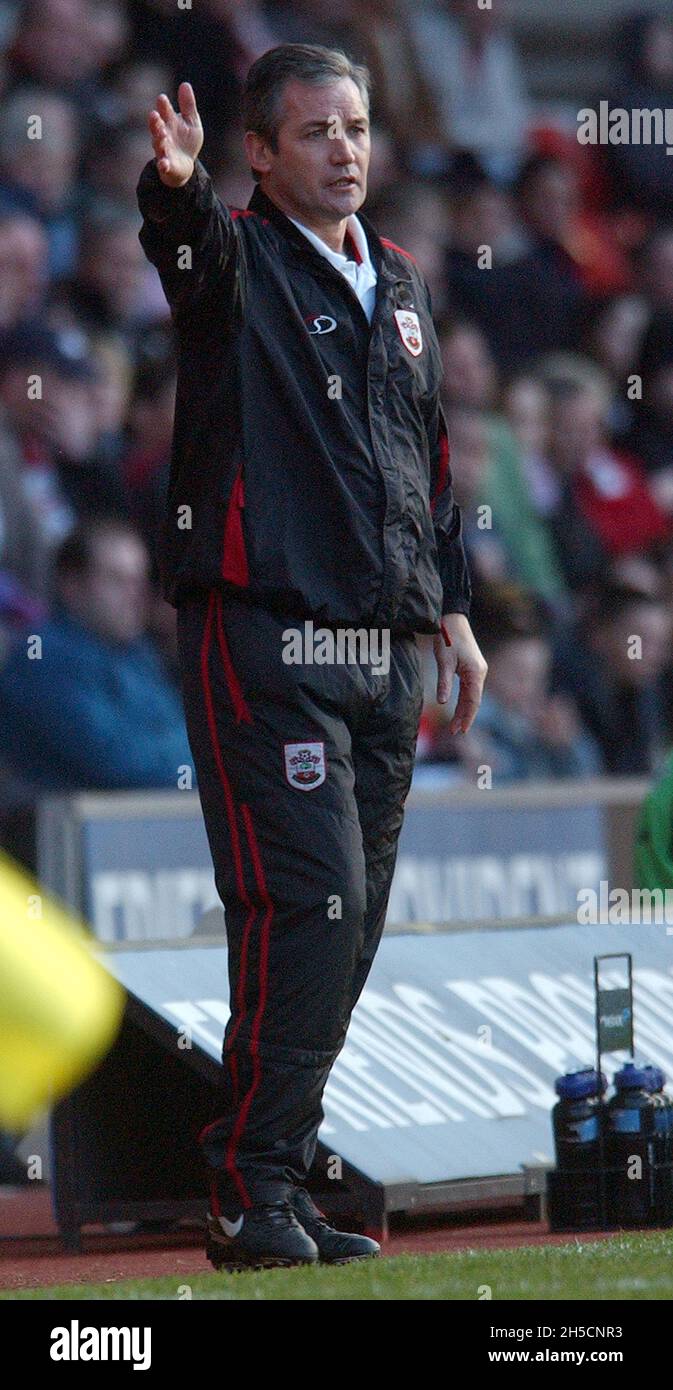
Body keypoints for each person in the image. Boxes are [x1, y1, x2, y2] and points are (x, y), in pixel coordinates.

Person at [136, 47, 486, 1271]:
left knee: (352, 921)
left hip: (385, 650)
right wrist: (171, 193)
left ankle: (271, 1178)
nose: (344, 147)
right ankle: (249, 1186)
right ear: (261, 154)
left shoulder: (396, 279)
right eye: (315, 131)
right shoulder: (233, 263)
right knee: (310, 905)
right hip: (267, 636)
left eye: (357, 126)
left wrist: (450, 606)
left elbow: (426, 458)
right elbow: (185, 258)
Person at [0, 518, 193, 791]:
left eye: (138, 581)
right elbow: (118, 764)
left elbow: (179, 731)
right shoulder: (42, 659)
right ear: (73, 586)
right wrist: (208, 756)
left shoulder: (138, 653)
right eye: (117, 580)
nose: (134, 596)